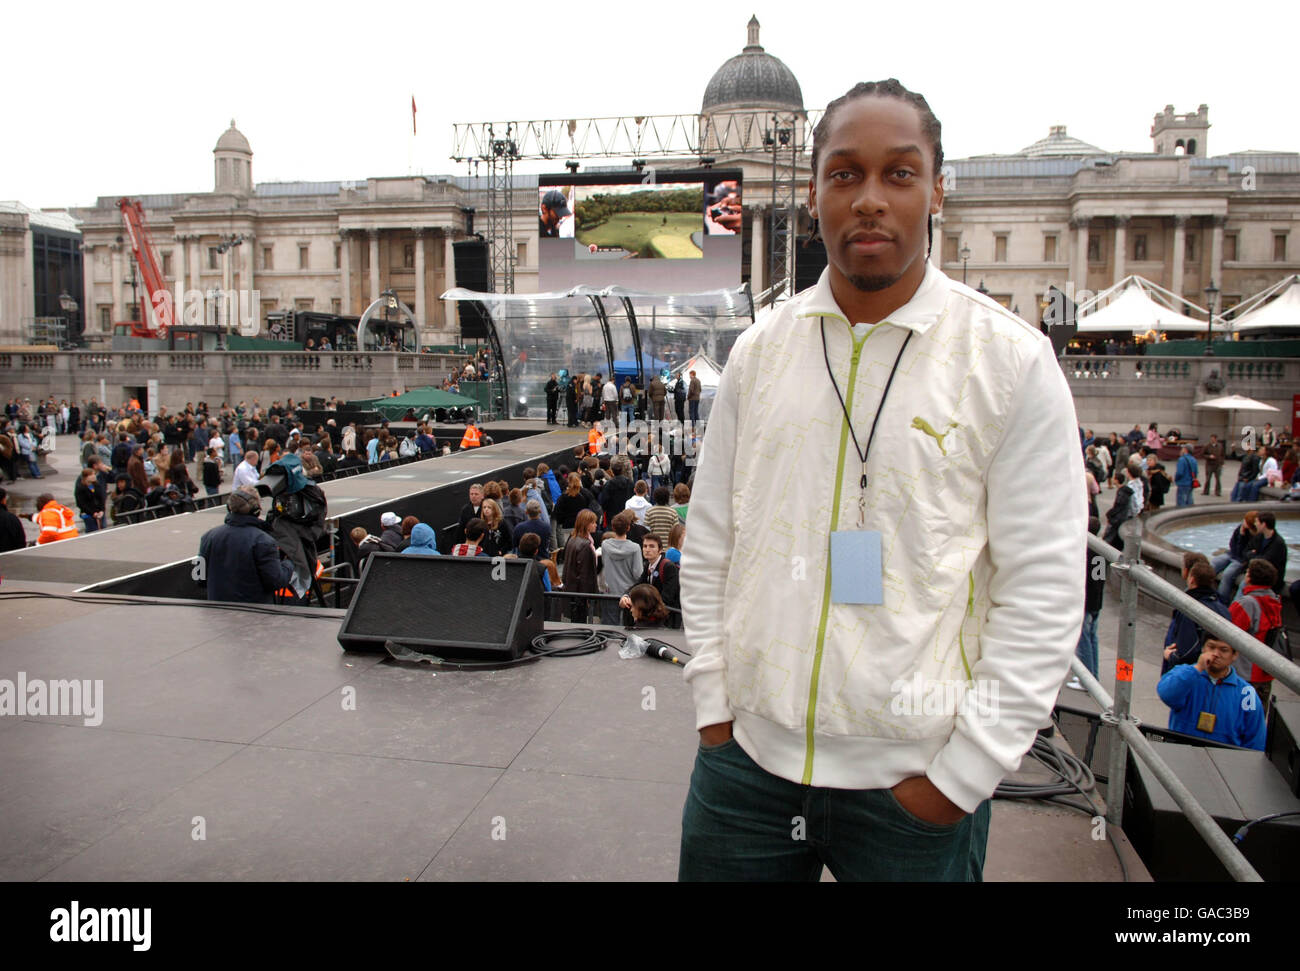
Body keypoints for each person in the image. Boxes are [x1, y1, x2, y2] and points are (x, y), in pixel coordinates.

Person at [678, 80, 1086, 883]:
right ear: (812, 191)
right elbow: (712, 540)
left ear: (937, 187)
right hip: (746, 772)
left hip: (918, 787)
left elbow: (1042, 589)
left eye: (899, 174)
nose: (869, 199)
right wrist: (713, 708)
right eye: (844, 173)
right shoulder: (759, 352)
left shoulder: (1010, 362)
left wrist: (961, 776)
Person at [1157, 639, 1266, 750]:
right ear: (1203, 649)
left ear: (1234, 655)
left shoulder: (1246, 692)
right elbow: (1167, 694)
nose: (1215, 654)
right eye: (1211, 647)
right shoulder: (1187, 674)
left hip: (1224, 760)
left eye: (1223, 650)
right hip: (1183, 752)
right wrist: (1198, 668)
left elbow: (1256, 738)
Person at [196, 487, 294, 604]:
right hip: (255, 614)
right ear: (256, 510)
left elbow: (198, 577)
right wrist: (288, 563)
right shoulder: (264, 541)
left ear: (229, 508)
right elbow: (276, 581)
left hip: (219, 613)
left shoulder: (207, 537)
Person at [1160, 554, 1232, 675]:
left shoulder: (1189, 609)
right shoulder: (1222, 609)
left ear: (1191, 579)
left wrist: (1171, 656)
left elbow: (1187, 649)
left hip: (1186, 674)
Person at [1228, 558, 1282, 709]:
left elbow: (1225, 635)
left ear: (1250, 578)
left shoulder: (1246, 604)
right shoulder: (1274, 601)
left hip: (1244, 676)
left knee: (1237, 722)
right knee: (1255, 723)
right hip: (1266, 674)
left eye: (1247, 572)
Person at [599, 511, 644, 624]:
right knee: (627, 626)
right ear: (628, 528)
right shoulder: (635, 548)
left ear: (613, 528)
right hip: (628, 593)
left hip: (610, 591)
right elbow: (638, 573)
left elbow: (604, 563)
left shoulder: (605, 545)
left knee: (609, 626)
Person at [561, 509, 599, 622]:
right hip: (580, 592)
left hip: (572, 588)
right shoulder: (585, 545)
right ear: (586, 525)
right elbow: (584, 573)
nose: (596, 525)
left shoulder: (573, 539)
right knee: (580, 622)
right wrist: (587, 595)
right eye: (593, 522)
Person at [75, 467, 106, 534]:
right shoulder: (81, 489)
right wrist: (92, 513)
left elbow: (102, 498)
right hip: (88, 514)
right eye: (91, 475)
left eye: (94, 474)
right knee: (92, 530)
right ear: (86, 477)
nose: (94, 476)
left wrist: (102, 510)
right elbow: (81, 503)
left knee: (103, 528)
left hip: (99, 512)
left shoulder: (97, 485)